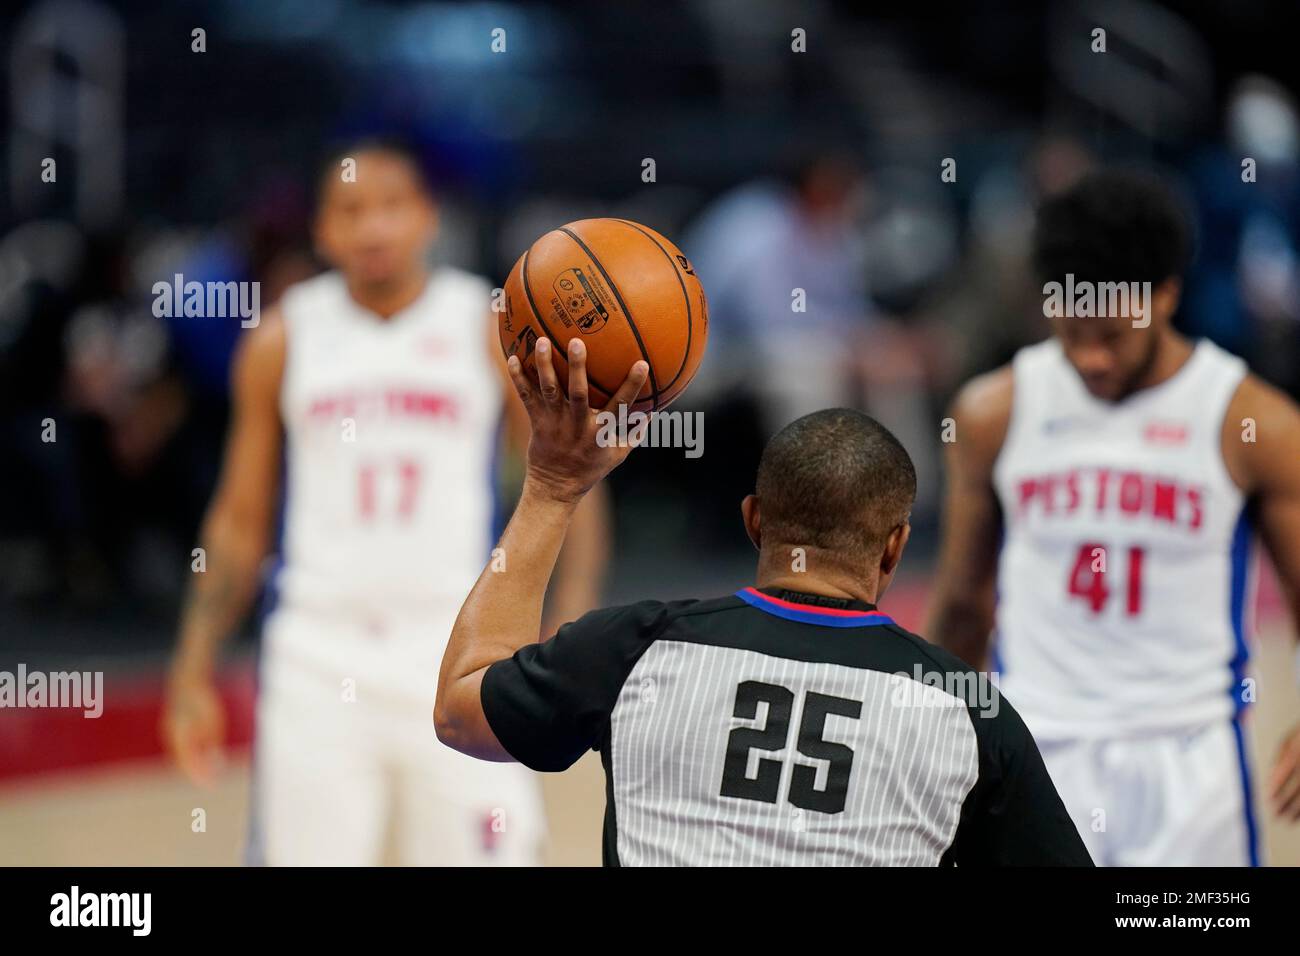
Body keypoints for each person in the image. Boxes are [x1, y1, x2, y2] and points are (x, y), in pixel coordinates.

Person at [434, 337, 1092, 866]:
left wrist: (550, 486)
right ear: (894, 548)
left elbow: (462, 708)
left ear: (753, 520)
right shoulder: (966, 711)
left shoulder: (636, 651)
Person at [161, 140, 609, 865]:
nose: (373, 228)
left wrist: (574, 617)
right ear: (322, 229)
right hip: (316, 647)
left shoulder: (488, 325)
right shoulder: (281, 337)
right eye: (350, 210)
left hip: (458, 642)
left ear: (429, 218)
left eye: (393, 207)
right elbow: (238, 520)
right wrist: (191, 667)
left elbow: (569, 478)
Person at [927, 169, 1300, 865]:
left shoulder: (1253, 422)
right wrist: (924, 728)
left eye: (1111, 335)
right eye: (1073, 333)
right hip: (1035, 744)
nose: (1092, 358)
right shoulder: (993, 413)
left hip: (1188, 759)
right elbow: (961, 604)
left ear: (1167, 296)